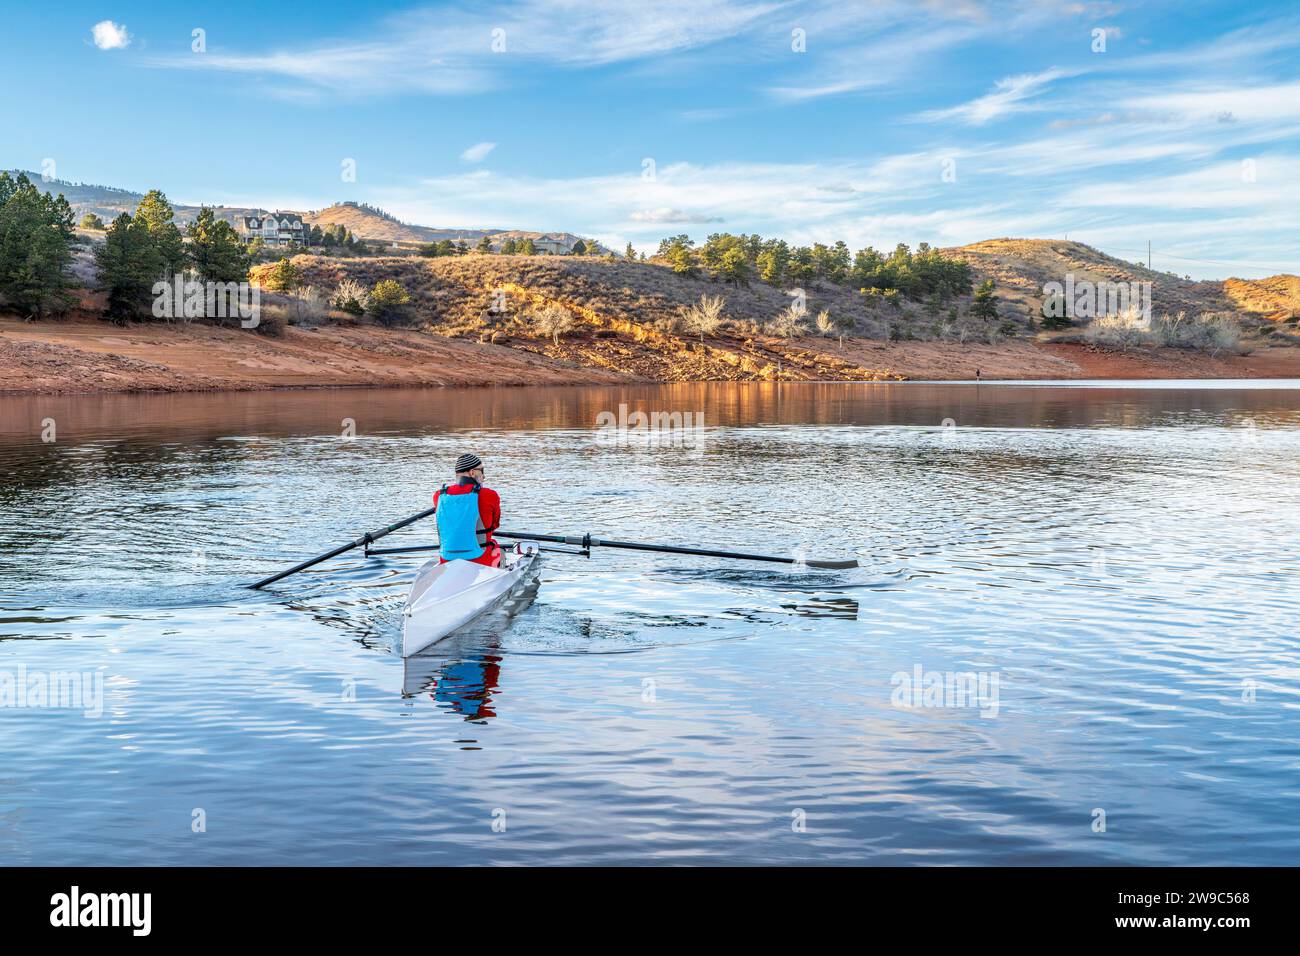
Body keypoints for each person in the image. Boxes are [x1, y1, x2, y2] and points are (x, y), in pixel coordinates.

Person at [433, 453, 502, 567]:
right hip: (481, 559)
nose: (484, 476)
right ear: (472, 472)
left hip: (447, 559)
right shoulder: (490, 495)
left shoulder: (438, 496)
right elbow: (494, 525)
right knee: (496, 547)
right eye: (482, 471)